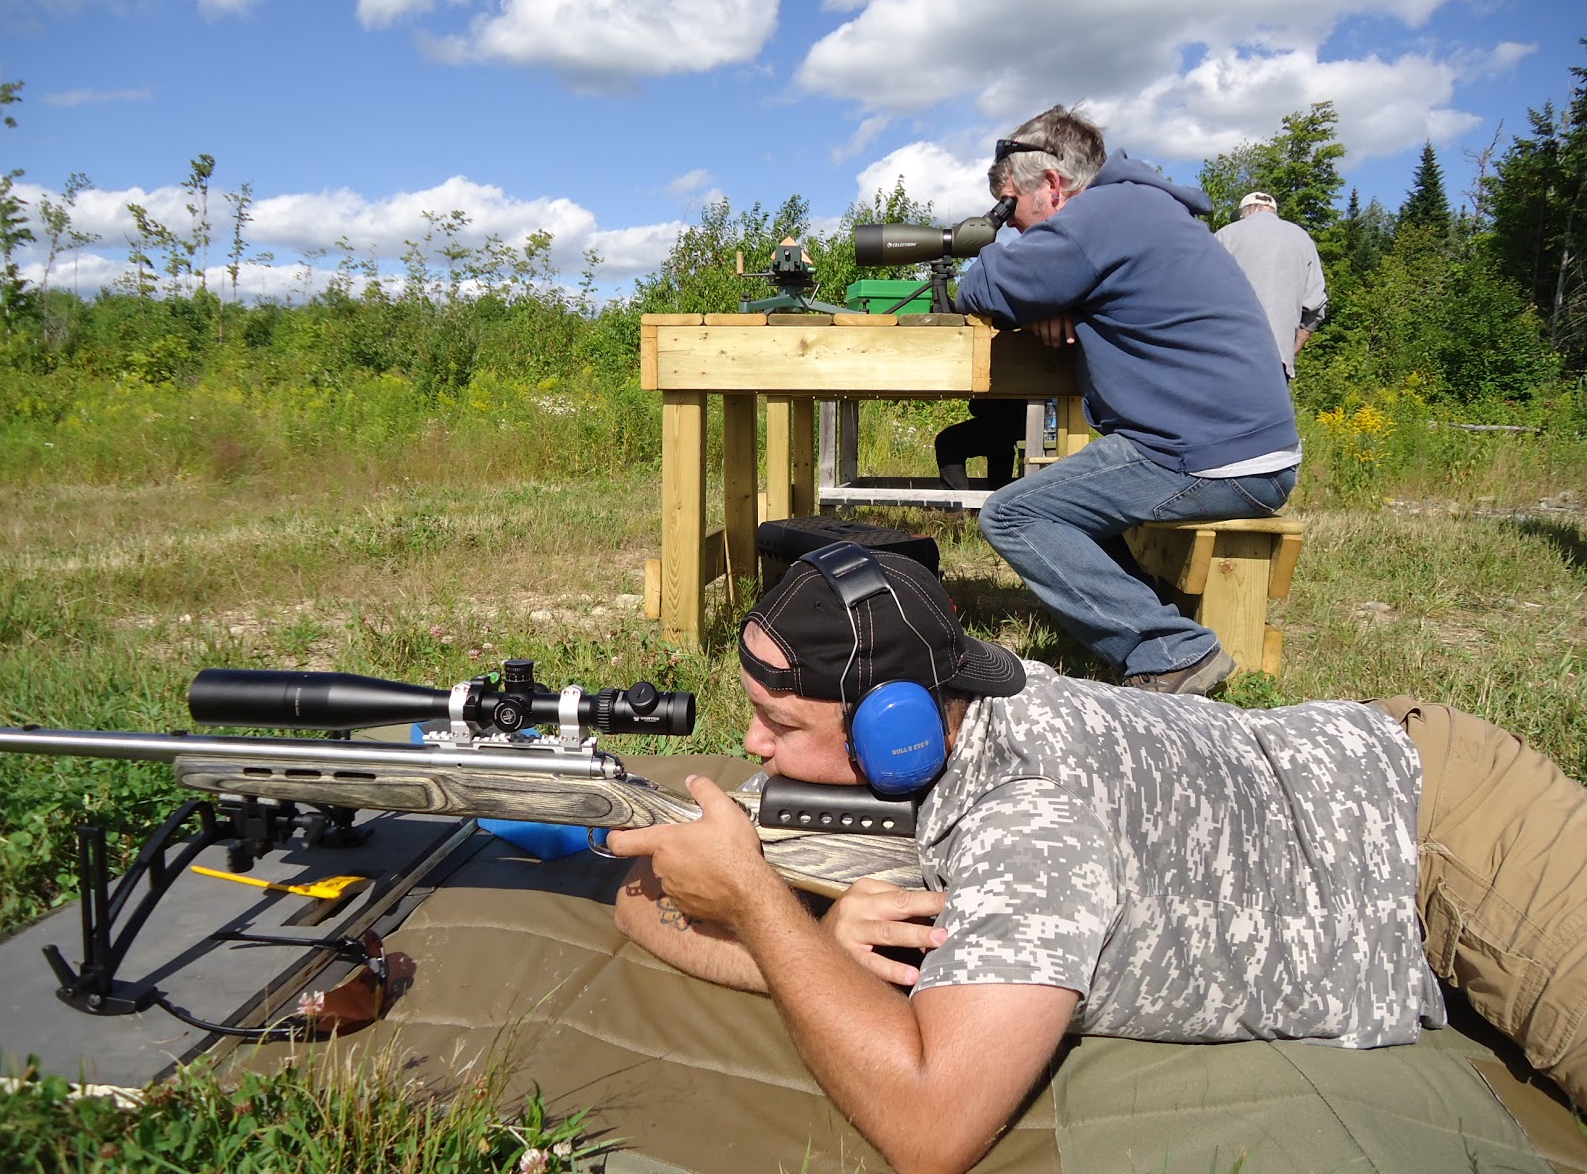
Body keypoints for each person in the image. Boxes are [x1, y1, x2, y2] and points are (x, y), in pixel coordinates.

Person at [607, 545, 1587, 1174]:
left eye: (778, 721)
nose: (754, 744)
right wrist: (815, 943)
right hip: (1328, 796)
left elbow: (930, 1126)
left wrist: (766, 914)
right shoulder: (896, 738)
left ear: (891, 724)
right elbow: (640, 894)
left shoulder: (1033, 817)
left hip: (1435, 822)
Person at [952, 106, 1301, 696]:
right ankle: (1151, 613)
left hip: (1209, 455)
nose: (1011, 228)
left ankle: (1173, 650)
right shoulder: (1138, 209)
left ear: (1054, 186)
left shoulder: (1101, 216)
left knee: (1014, 514)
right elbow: (1030, 284)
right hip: (1239, 445)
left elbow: (981, 286)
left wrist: (1012, 270)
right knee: (1069, 491)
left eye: (1012, 207)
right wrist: (1051, 293)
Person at [1215, 190, 1328, 378]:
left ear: (1244, 212)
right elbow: (1316, 306)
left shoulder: (1225, 235)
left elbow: (1201, 297)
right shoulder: (1302, 239)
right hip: (1278, 363)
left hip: (1227, 358)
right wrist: (1290, 353)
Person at [934, 397, 1030, 492]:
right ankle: (998, 494)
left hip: (1016, 420)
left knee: (948, 441)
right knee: (1000, 446)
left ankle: (957, 502)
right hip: (1019, 418)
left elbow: (977, 408)